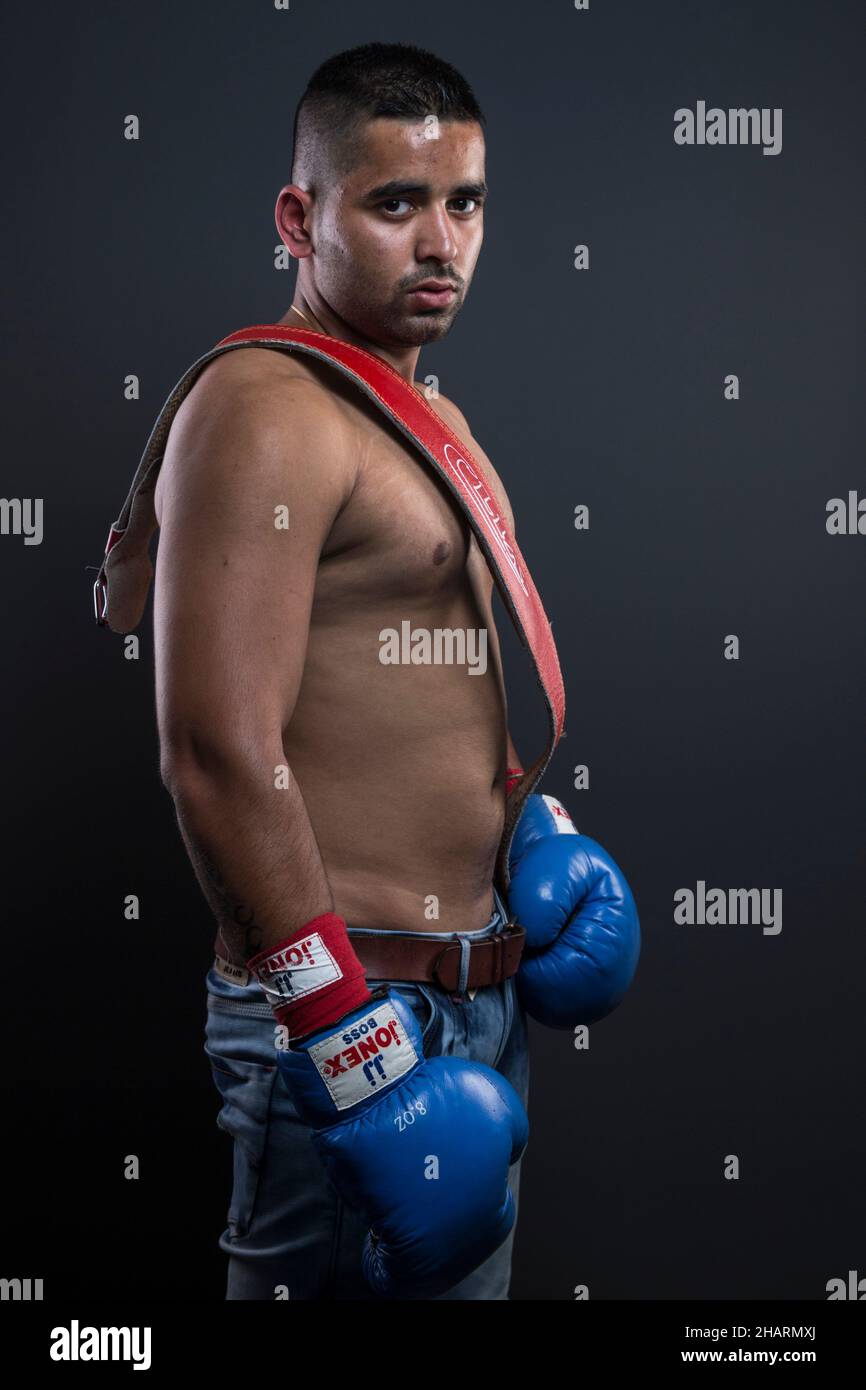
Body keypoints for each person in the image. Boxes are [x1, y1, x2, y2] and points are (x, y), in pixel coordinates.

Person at [146, 41, 640, 1301]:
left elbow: (428, 696)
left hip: (470, 1017)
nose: (439, 241)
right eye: (394, 202)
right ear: (299, 217)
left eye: (463, 202)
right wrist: (347, 1043)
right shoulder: (267, 409)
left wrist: (533, 830)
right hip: (352, 1021)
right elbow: (215, 750)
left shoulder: (428, 418)